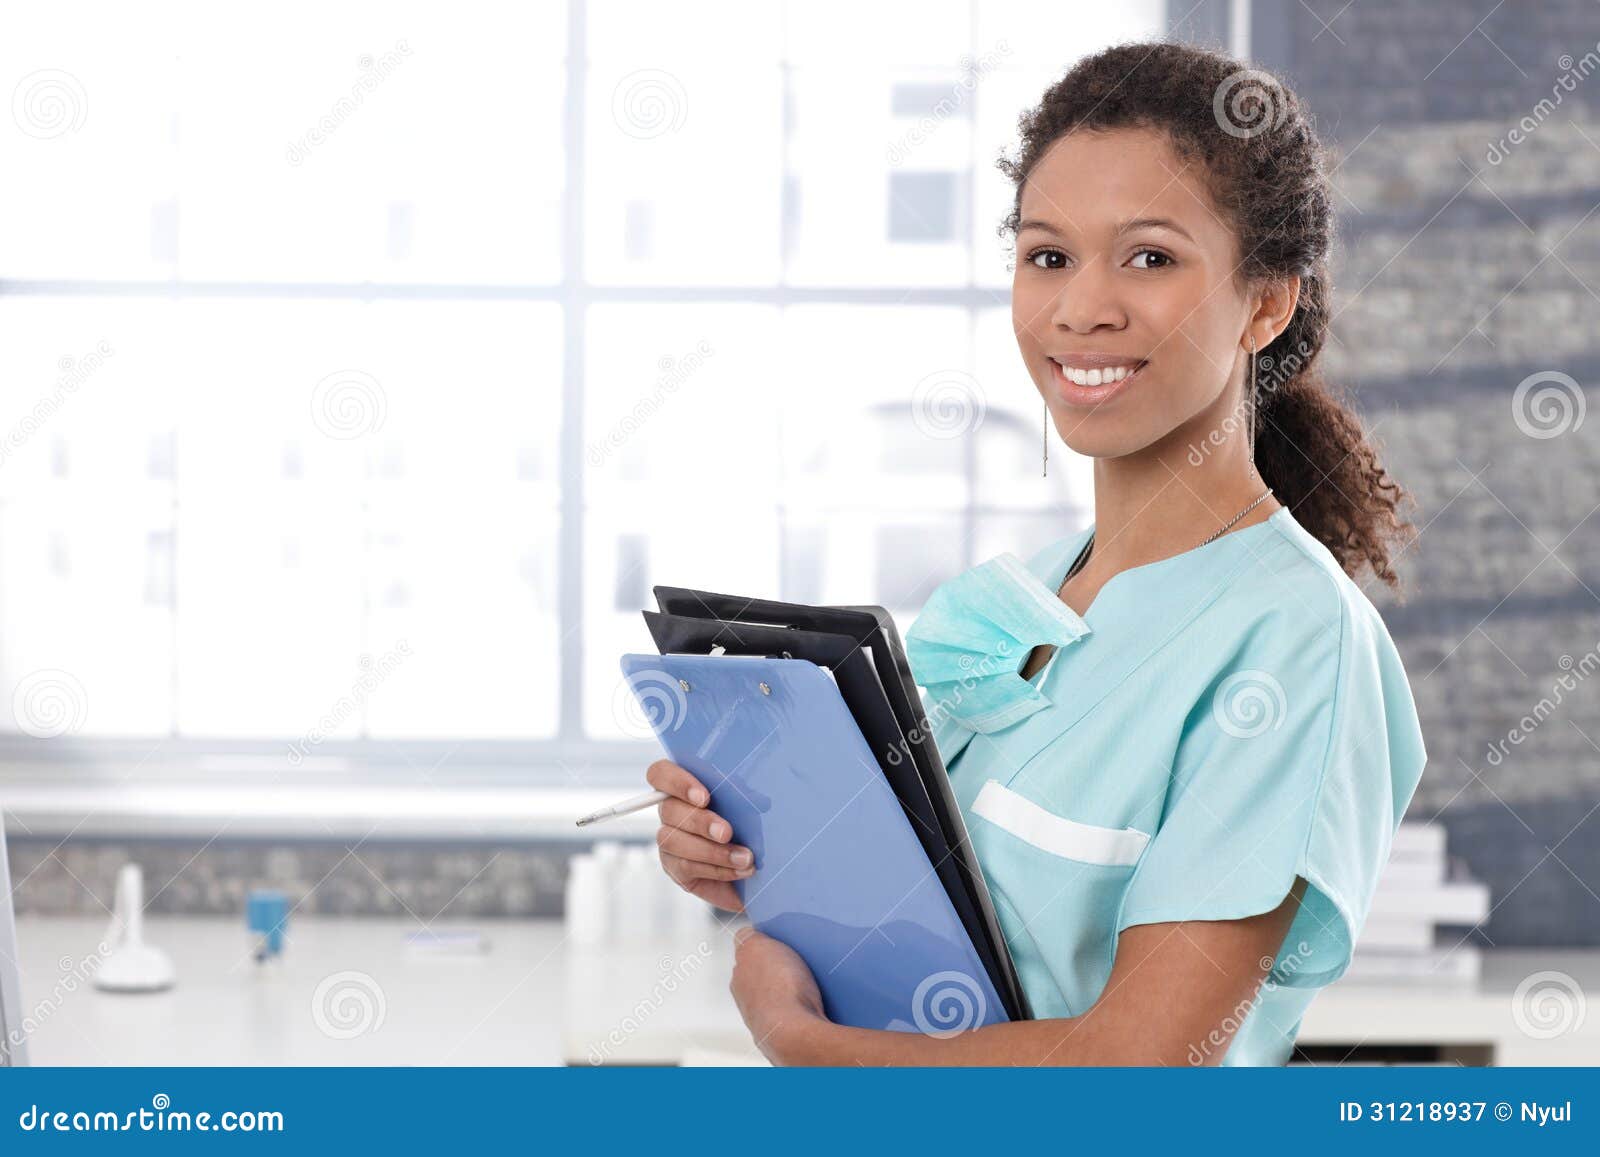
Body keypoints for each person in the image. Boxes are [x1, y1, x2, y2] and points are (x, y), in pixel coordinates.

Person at [647, 40, 1427, 1065]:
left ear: (1266, 303)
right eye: (1047, 255)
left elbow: (1133, 1068)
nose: (1079, 307)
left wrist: (797, 1036)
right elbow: (913, 916)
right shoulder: (1002, 609)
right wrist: (750, 855)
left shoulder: (1296, 644)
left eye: (1149, 257)